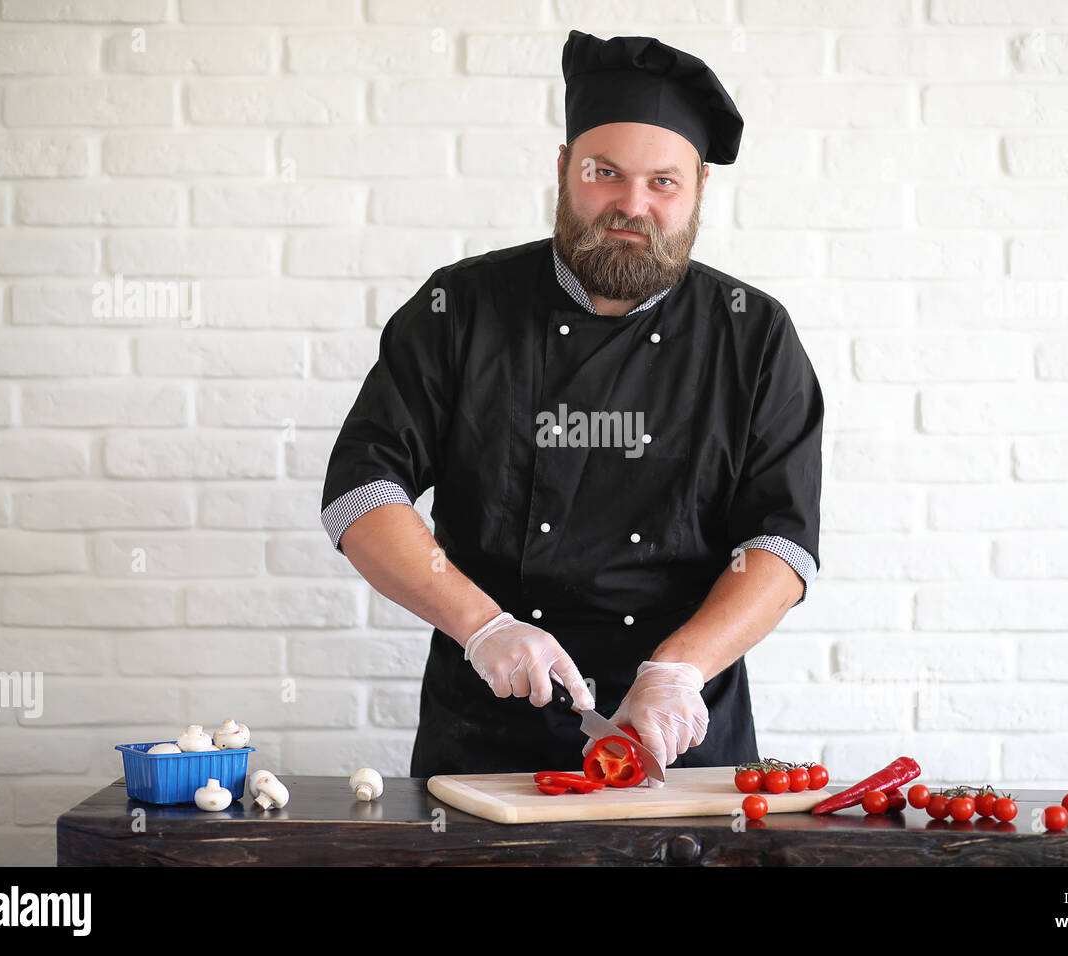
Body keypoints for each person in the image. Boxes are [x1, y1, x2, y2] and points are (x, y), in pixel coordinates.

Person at [321, 29, 823, 778]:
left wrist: (679, 670)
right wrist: (483, 624)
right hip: (489, 734)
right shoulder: (460, 308)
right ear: (563, 170)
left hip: (684, 742)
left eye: (663, 183)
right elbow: (362, 492)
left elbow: (782, 545)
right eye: (604, 173)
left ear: (699, 191)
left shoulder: (752, 334)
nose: (630, 205)